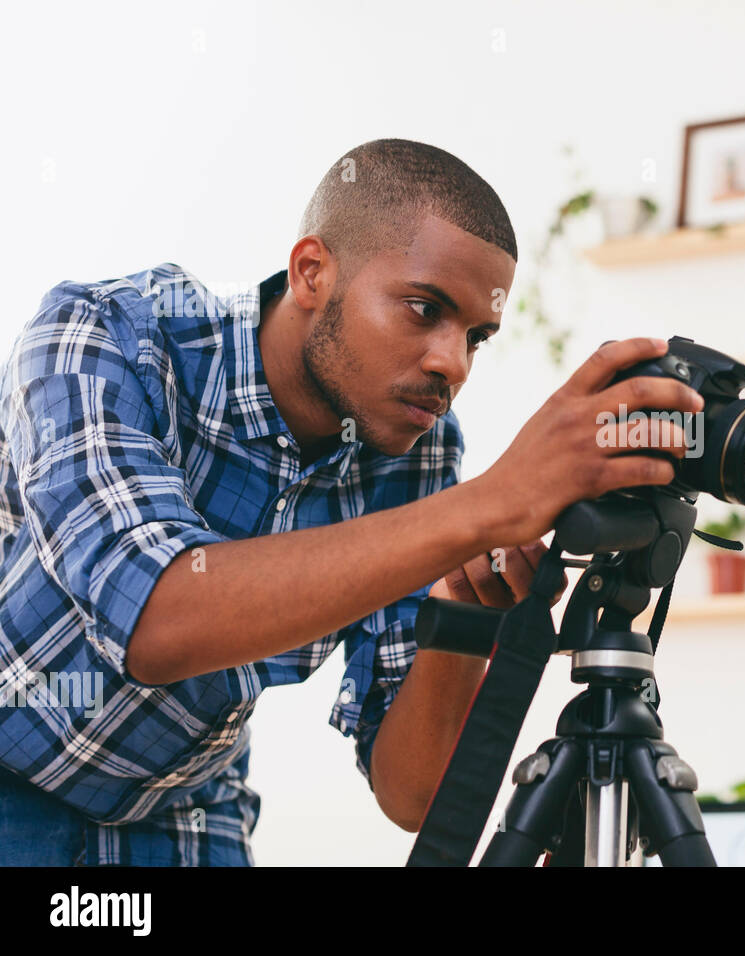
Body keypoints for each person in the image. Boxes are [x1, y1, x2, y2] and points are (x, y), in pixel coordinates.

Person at [0, 138, 701, 865]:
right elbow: (155, 619)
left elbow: (413, 797)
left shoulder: (415, 448)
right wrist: (492, 503)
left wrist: (464, 621)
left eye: (477, 338)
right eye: (425, 308)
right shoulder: (105, 336)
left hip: (183, 804)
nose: (451, 364)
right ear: (313, 274)